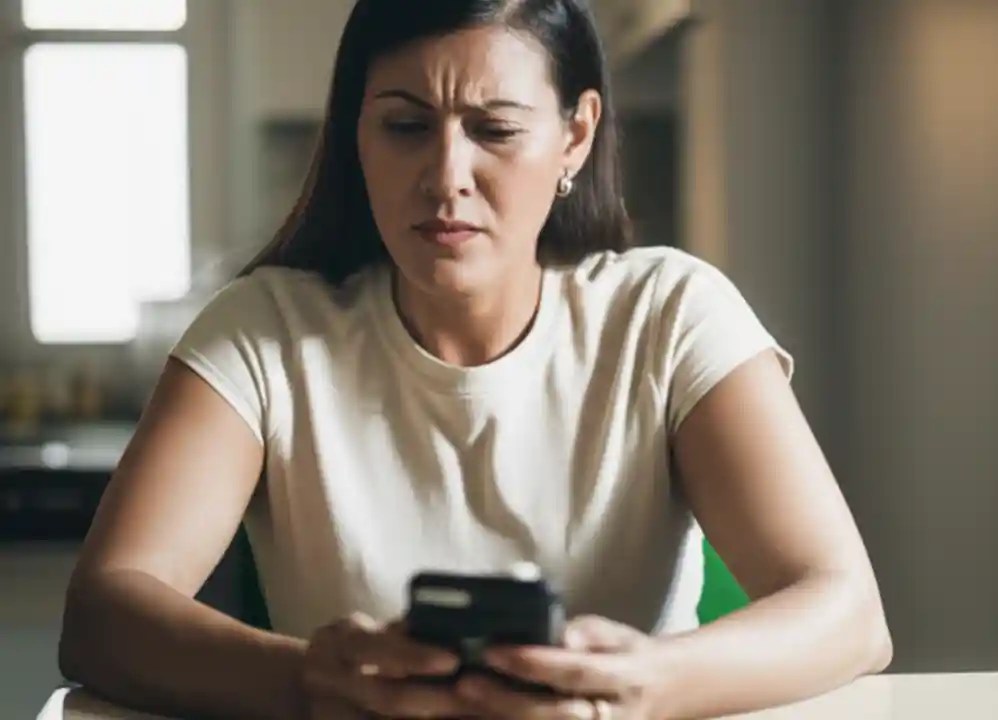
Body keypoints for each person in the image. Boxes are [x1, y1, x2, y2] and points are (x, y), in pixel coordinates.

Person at [58, 1, 891, 718]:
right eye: (406, 126)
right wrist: (309, 680)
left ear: (575, 136)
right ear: (358, 136)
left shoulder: (670, 314)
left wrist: (647, 684)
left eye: (494, 130)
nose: (446, 175)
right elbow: (102, 615)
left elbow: (850, 614)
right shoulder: (262, 332)